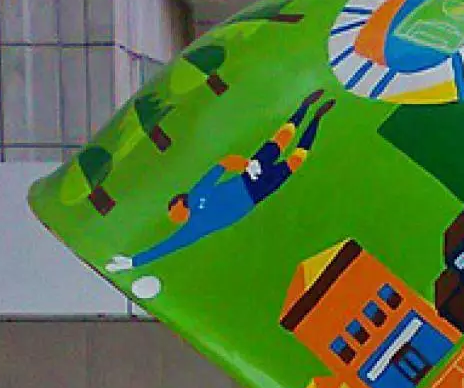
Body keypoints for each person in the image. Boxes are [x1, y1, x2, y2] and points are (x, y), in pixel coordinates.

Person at [107, 90, 335, 273]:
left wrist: (246, 164)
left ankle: (303, 108)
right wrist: (133, 262)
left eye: (176, 211)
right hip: (256, 195)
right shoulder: (193, 229)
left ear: (181, 203)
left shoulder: (197, 193)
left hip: (248, 175)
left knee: (278, 141)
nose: (176, 217)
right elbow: (166, 246)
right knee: (295, 161)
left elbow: (223, 164)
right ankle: (317, 118)